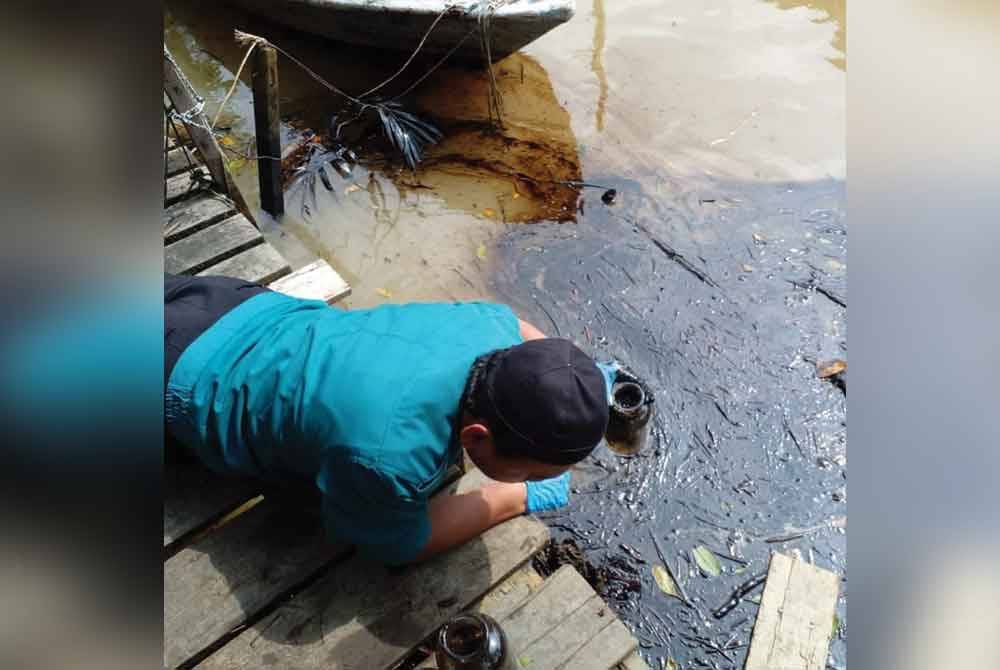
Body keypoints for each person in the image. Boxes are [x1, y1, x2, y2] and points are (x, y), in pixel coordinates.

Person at [165, 273, 617, 565]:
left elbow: (522, 331)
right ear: (476, 438)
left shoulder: (489, 323)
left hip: (237, 303)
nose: (535, 479)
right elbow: (402, 543)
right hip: (181, 376)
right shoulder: (387, 459)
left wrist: (575, 382)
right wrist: (517, 496)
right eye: (534, 472)